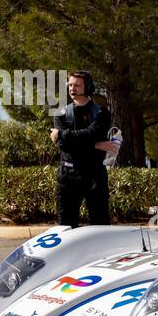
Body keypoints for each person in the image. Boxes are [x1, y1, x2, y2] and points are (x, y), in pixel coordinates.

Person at [51, 70, 115, 228]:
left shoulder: (101, 112)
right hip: (67, 176)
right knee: (65, 225)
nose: (72, 88)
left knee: (100, 224)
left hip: (95, 175)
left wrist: (62, 134)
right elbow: (63, 145)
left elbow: (93, 133)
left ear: (89, 87)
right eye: (70, 85)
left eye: (77, 85)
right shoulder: (61, 113)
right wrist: (95, 145)